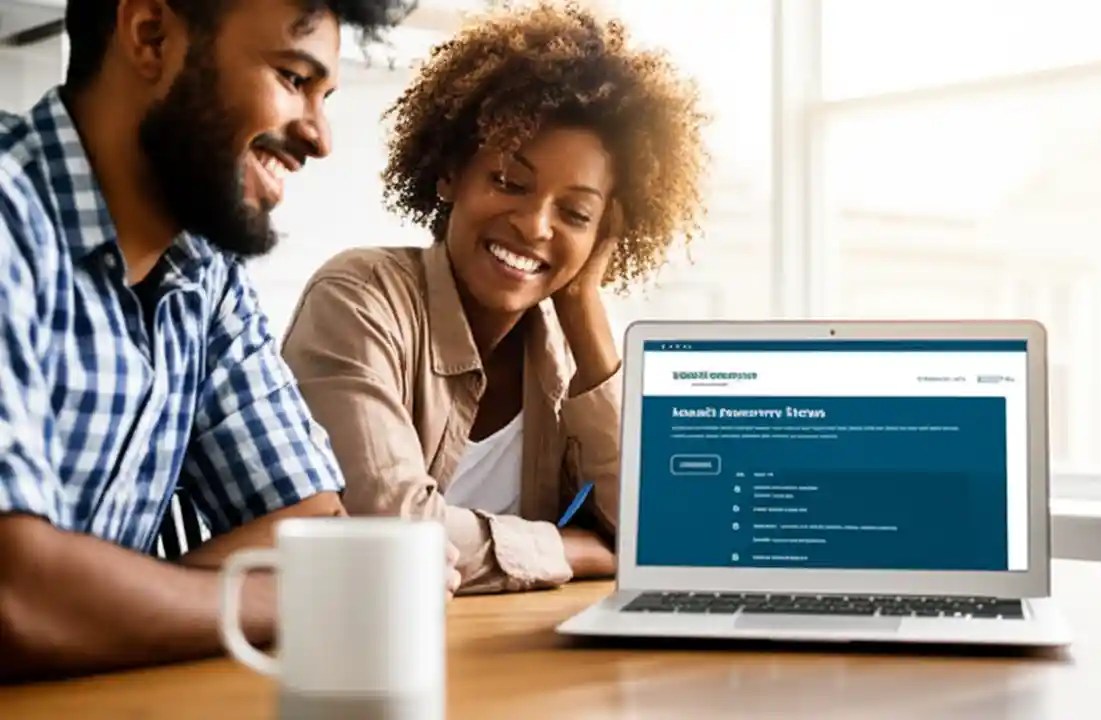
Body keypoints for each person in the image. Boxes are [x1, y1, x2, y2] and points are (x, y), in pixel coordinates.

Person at [0, 0, 454, 682]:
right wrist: (323, 597)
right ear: (151, 36)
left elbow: (314, 531)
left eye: (325, 94)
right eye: (293, 78)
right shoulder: (10, 214)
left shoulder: (206, 270)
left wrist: (92, 603)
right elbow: (17, 598)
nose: (321, 136)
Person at [280, 2, 709, 594]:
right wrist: (569, 549)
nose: (535, 225)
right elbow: (391, 532)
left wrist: (585, 310)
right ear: (451, 173)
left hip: (504, 658)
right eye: (510, 182)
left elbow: (665, 532)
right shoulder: (357, 299)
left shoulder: (563, 358)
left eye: (575, 213)